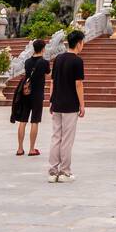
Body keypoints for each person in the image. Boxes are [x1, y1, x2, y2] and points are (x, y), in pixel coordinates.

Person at [48, 30, 85, 183]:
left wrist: (51, 100)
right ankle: (65, 171)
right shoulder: (77, 61)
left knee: (56, 137)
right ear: (78, 43)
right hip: (70, 105)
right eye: (82, 42)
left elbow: (52, 82)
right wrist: (82, 105)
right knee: (67, 139)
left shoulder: (58, 59)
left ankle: (52, 171)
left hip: (57, 102)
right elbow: (78, 84)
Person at [10, 38, 50, 155]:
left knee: (23, 120)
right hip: (37, 94)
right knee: (34, 121)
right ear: (43, 49)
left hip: (26, 93)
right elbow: (48, 73)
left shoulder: (27, 62)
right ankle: (32, 149)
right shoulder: (44, 62)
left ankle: (20, 148)